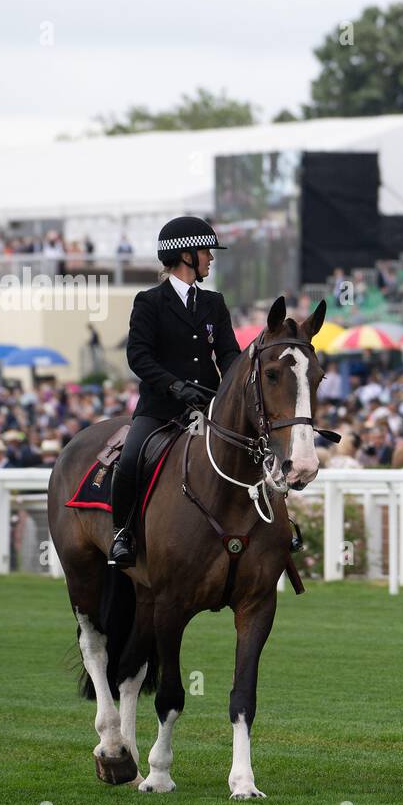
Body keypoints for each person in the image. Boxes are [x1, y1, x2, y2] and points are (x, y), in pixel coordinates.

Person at [108, 216, 241, 568]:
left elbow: (228, 353)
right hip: (162, 407)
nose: (211, 258)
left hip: (208, 405)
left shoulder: (214, 302)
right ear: (186, 256)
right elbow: (138, 355)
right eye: (206, 252)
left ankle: (277, 527)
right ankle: (123, 533)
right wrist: (173, 384)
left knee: (252, 450)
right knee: (130, 461)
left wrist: (236, 385)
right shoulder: (149, 301)